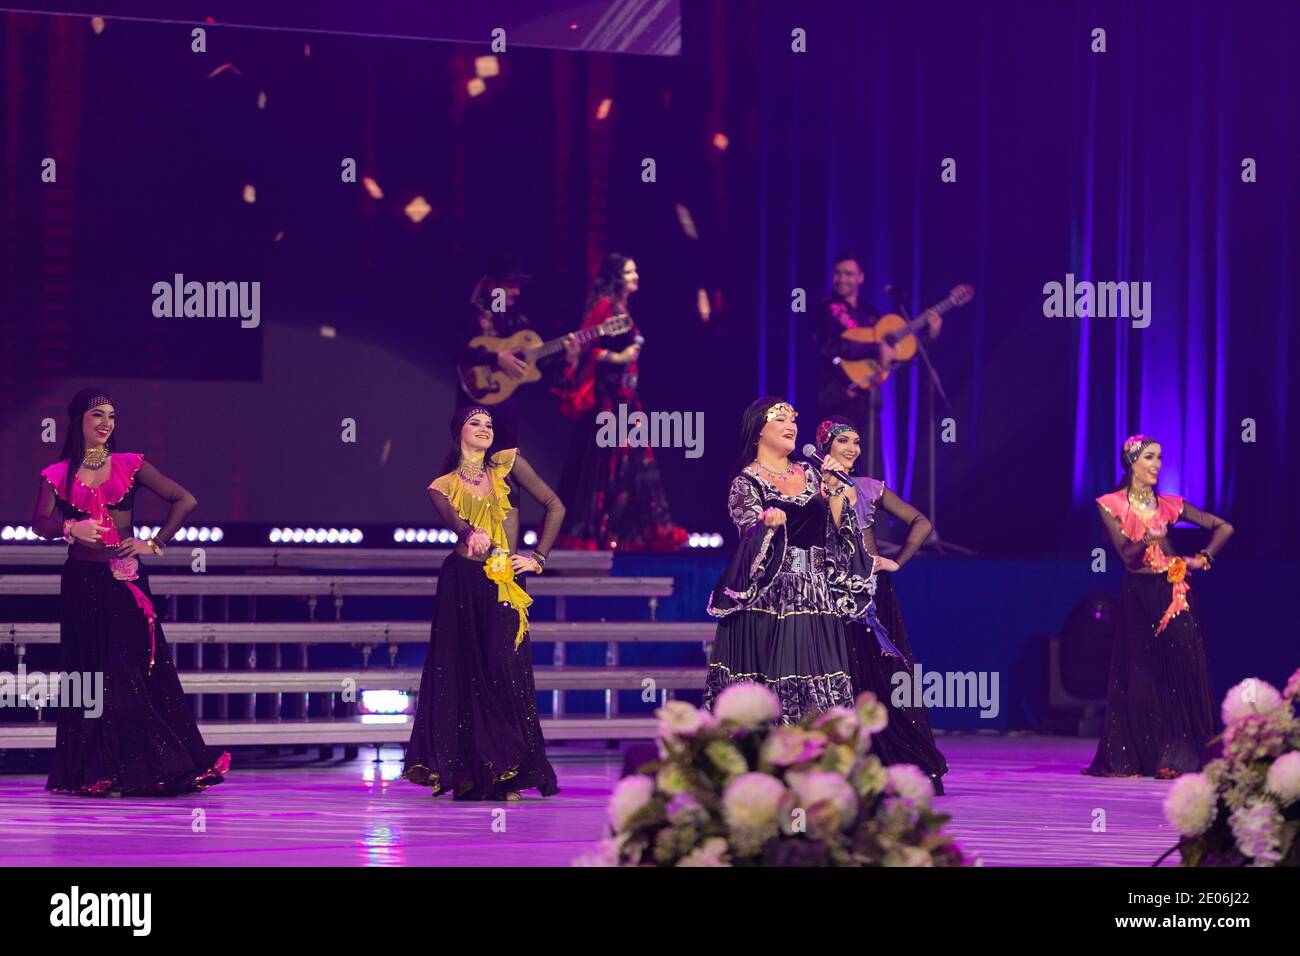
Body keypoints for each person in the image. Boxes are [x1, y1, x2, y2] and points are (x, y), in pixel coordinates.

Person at [30, 388, 230, 796]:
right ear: (78, 421)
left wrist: (153, 544)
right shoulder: (59, 473)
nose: (106, 423)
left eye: (112, 416)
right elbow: (38, 522)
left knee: (128, 674)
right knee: (87, 675)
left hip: (123, 584)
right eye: (96, 415)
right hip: (80, 584)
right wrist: (70, 529)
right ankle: (97, 772)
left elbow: (184, 499)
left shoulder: (128, 464)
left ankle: (153, 767)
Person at [704, 397, 901, 725]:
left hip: (815, 594)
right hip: (770, 598)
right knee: (773, 690)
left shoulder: (811, 472)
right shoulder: (747, 481)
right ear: (758, 431)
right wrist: (764, 523)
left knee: (822, 688)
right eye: (780, 419)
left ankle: (820, 762)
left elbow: (837, 531)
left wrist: (836, 488)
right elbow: (748, 532)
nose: (791, 426)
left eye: (793, 419)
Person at [403, 405, 564, 800]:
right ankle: (473, 774)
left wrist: (538, 556)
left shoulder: (508, 465)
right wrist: (469, 530)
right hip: (461, 581)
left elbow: (555, 505)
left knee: (502, 667)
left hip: (503, 581)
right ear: (459, 430)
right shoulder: (441, 485)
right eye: (475, 423)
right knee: (462, 672)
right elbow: (456, 524)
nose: (484, 428)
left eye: (489, 424)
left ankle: (512, 771)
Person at [1084, 433, 1234, 779]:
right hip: (1139, 595)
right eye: (1150, 457)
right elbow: (1126, 556)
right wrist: (1147, 539)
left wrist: (1202, 558)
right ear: (1132, 462)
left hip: (1175, 594)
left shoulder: (1169, 504)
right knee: (1141, 675)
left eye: (1160, 458)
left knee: (1183, 671)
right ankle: (1140, 756)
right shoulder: (1111, 504)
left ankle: (1178, 758)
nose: (1157, 465)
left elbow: (1224, 527)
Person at [817, 417, 948, 794]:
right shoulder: (813, 487)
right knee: (842, 677)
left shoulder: (869, 488)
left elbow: (921, 522)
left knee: (884, 678)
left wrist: (897, 561)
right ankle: (847, 766)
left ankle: (892, 764)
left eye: (857, 441)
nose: (853, 448)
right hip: (830, 591)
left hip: (872, 592)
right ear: (826, 445)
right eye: (844, 440)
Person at [553, 252, 687, 550]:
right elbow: (586, 348)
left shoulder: (622, 307)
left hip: (626, 395)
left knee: (632, 461)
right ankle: (600, 530)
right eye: (629, 272)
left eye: (635, 270)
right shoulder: (605, 307)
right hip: (609, 398)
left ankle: (623, 530)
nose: (635, 275)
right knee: (607, 460)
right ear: (616, 277)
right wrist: (619, 356)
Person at [814, 254, 940, 477]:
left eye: (848, 273)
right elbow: (830, 345)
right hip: (838, 393)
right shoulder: (825, 309)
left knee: (872, 468)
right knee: (837, 468)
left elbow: (900, 356)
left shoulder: (870, 313)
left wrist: (930, 336)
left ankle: (871, 512)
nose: (842, 278)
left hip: (868, 396)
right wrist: (875, 349)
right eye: (838, 273)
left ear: (860, 278)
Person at [453, 254, 580, 449]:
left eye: (518, 286)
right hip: (475, 407)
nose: (517, 292)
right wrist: (495, 358)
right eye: (511, 285)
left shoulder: (518, 323)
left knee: (504, 466)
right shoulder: (471, 314)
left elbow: (537, 366)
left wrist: (567, 358)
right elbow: (456, 349)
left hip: (506, 415)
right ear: (492, 283)